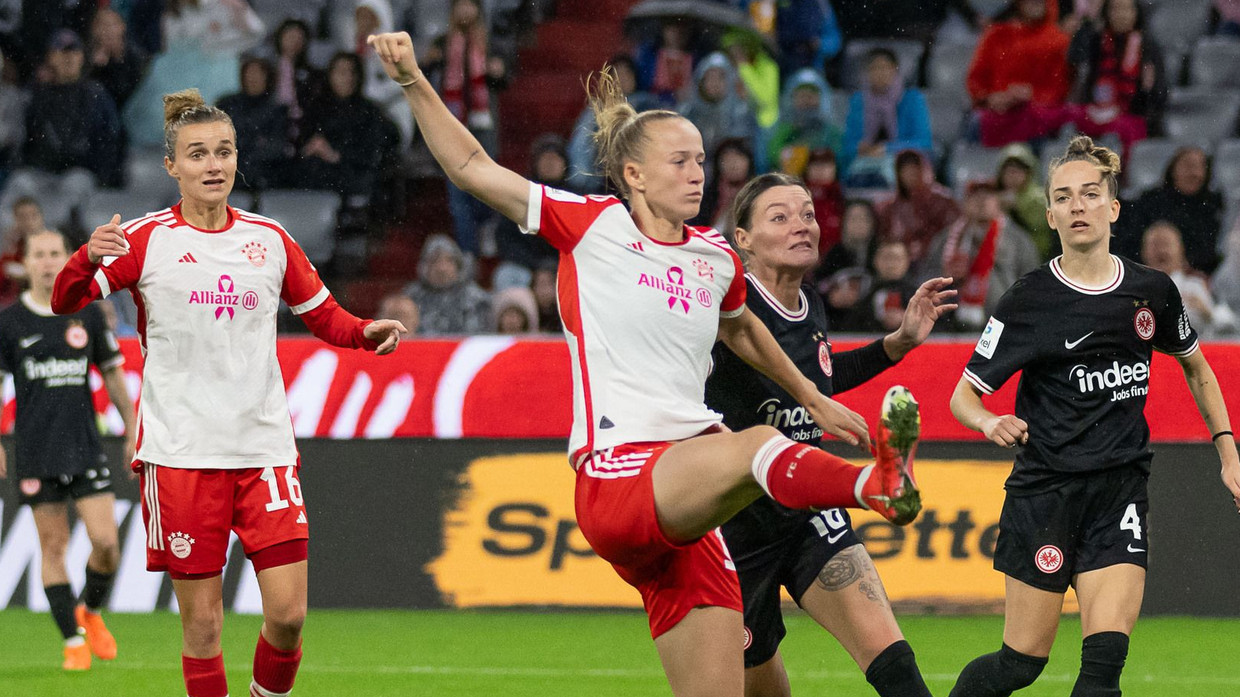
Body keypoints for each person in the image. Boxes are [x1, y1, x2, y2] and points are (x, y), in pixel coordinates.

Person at [367, 30, 922, 697]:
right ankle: (875, 486)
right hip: (619, 474)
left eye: (701, 160)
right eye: (679, 161)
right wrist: (412, 80)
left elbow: (743, 328)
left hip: (689, 508)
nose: (697, 173)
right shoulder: (590, 224)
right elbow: (471, 165)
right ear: (633, 174)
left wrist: (814, 395)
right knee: (758, 445)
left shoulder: (714, 255)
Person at [49, 88, 404, 697]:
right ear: (171, 165)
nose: (213, 165)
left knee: (288, 616)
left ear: (237, 158)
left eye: (223, 151)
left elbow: (325, 317)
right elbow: (65, 301)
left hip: (263, 451)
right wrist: (85, 257)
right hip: (182, 455)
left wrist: (364, 332)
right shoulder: (145, 239)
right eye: (197, 154)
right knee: (204, 626)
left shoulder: (270, 239)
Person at [948, 135, 1240, 696]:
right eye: (1063, 197)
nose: (1077, 205)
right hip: (1045, 495)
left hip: (1118, 493)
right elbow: (963, 396)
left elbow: (1198, 368)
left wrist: (1228, 454)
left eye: (1089, 194)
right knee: (1019, 665)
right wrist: (987, 421)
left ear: (1113, 208)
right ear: (1050, 215)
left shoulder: (1151, 291)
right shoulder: (1028, 299)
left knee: (1102, 668)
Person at [707, 173, 953, 697]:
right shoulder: (723, 311)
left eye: (807, 215)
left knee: (894, 661)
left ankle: (875, 485)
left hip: (808, 511)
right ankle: (876, 484)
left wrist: (898, 342)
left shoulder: (809, 302)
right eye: (780, 217)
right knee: (759, 685)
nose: (801, 225)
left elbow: (818, 379)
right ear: (742, 239)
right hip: (735, 528)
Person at [0, 228, 136, 671]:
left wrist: (133, 428)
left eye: (54, 253)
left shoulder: (87, 313)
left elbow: (113, 375)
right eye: (38, 254)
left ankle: (90, 612)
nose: (46, 261)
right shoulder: (9, 322)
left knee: (106, 544)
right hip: (36, 449)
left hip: (84, 445)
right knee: (53, 546)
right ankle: (73, 641)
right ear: (26, 263)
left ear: (66, 258)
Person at [1, 29, 121, 232]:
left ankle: (48, 242)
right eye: (61, 51)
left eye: (74, 51)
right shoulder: (36, 93)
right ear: (50, 57)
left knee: (72, 190)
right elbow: (21, 138)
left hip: (78, 173)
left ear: (82, 56)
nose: (68, 57)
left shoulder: (95, 94)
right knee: (18, 186)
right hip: (38, 172)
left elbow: (110, 139)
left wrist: (102, 174)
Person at [920, 180, 1040, 330]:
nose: (982, 202)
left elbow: (1033, 284)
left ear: (999, 202)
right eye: (975, 197)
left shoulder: (1018, 240)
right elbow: (926, 280)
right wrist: (946, 275)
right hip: (952, 325)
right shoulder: (947, 239)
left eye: (988, 196)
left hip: (1004, 323)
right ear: (965, 203)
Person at [966, 0, 1073, 147]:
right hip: (996, 113)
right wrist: (991, 98)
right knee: (976, 121)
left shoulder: (1060, 41)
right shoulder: (995, 35)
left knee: (1043, 121)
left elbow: (1060, 88)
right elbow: (975, 81)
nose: (1035, 3)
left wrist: (1030, 96)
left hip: (1036, 114)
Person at [1066, 0, 1165, 153]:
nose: (1121, 15)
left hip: (1131, 114)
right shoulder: (1097, 41)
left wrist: (1146, 90)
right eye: (1115, 9)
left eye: (1126, 9)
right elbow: (1075, 59)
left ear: (1136, 13)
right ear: (1107, 13)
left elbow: (1156, 94)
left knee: (1127, 130)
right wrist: (1088, 22)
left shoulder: (1147, 46)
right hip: (1098, 112)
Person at [1120, 146, 1224, 274]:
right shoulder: (1150, 201)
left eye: (1200, 167)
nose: (1194, 173)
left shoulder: (1213, 207)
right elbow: (1130, 242)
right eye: (1188, 165)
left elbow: (1214, 252)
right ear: (1173, 169)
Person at [840, 47, 933, 188]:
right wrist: (859, 148)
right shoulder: (858, 101)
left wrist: (887, 149)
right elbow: (848, 143)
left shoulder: (912, 99)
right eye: (874, 68)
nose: (880, 73)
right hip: (865, 161)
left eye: (885, 67)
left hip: (901, 161)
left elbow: (923, 142)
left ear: (895, 70)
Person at [1140, 220, 1236, 338]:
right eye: (1155, 244)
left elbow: (1231, 326)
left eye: (1166, 244)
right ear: (1144, 252)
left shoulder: (1198, 285)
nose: (1161, 250)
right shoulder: (1132, 287)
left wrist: (1208, 313)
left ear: (1180, 249)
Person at [876, 150, 961, 266]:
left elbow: (953, 235)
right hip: (899, 264)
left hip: (935, 263)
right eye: (905, 170)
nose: (910, 174)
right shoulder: (890, 207)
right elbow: (886, 238)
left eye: (914, 170)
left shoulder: (944, 201)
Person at [217, 57, 289, 191]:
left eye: (258, 74)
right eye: (249, 73)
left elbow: (277, 147)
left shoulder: (277, 110)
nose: (253, 78)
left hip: (263, 175)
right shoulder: (227, 104)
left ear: (267, 78)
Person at [403, 233, 492, 336]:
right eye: (435, 261)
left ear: (459, 265)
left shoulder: (478, 299)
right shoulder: (410, 299)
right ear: (424, 266)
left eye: (449, 261)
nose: (442, 268)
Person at [995, 144, 1057, 261]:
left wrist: (1016, 205)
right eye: (1008, 171)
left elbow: (1040, 223)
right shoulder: (994, 197)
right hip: (1003, 257)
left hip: (1036, 258)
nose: (1013, 176)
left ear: (1029, 173)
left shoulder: (1039, 198)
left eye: (1017, 171)